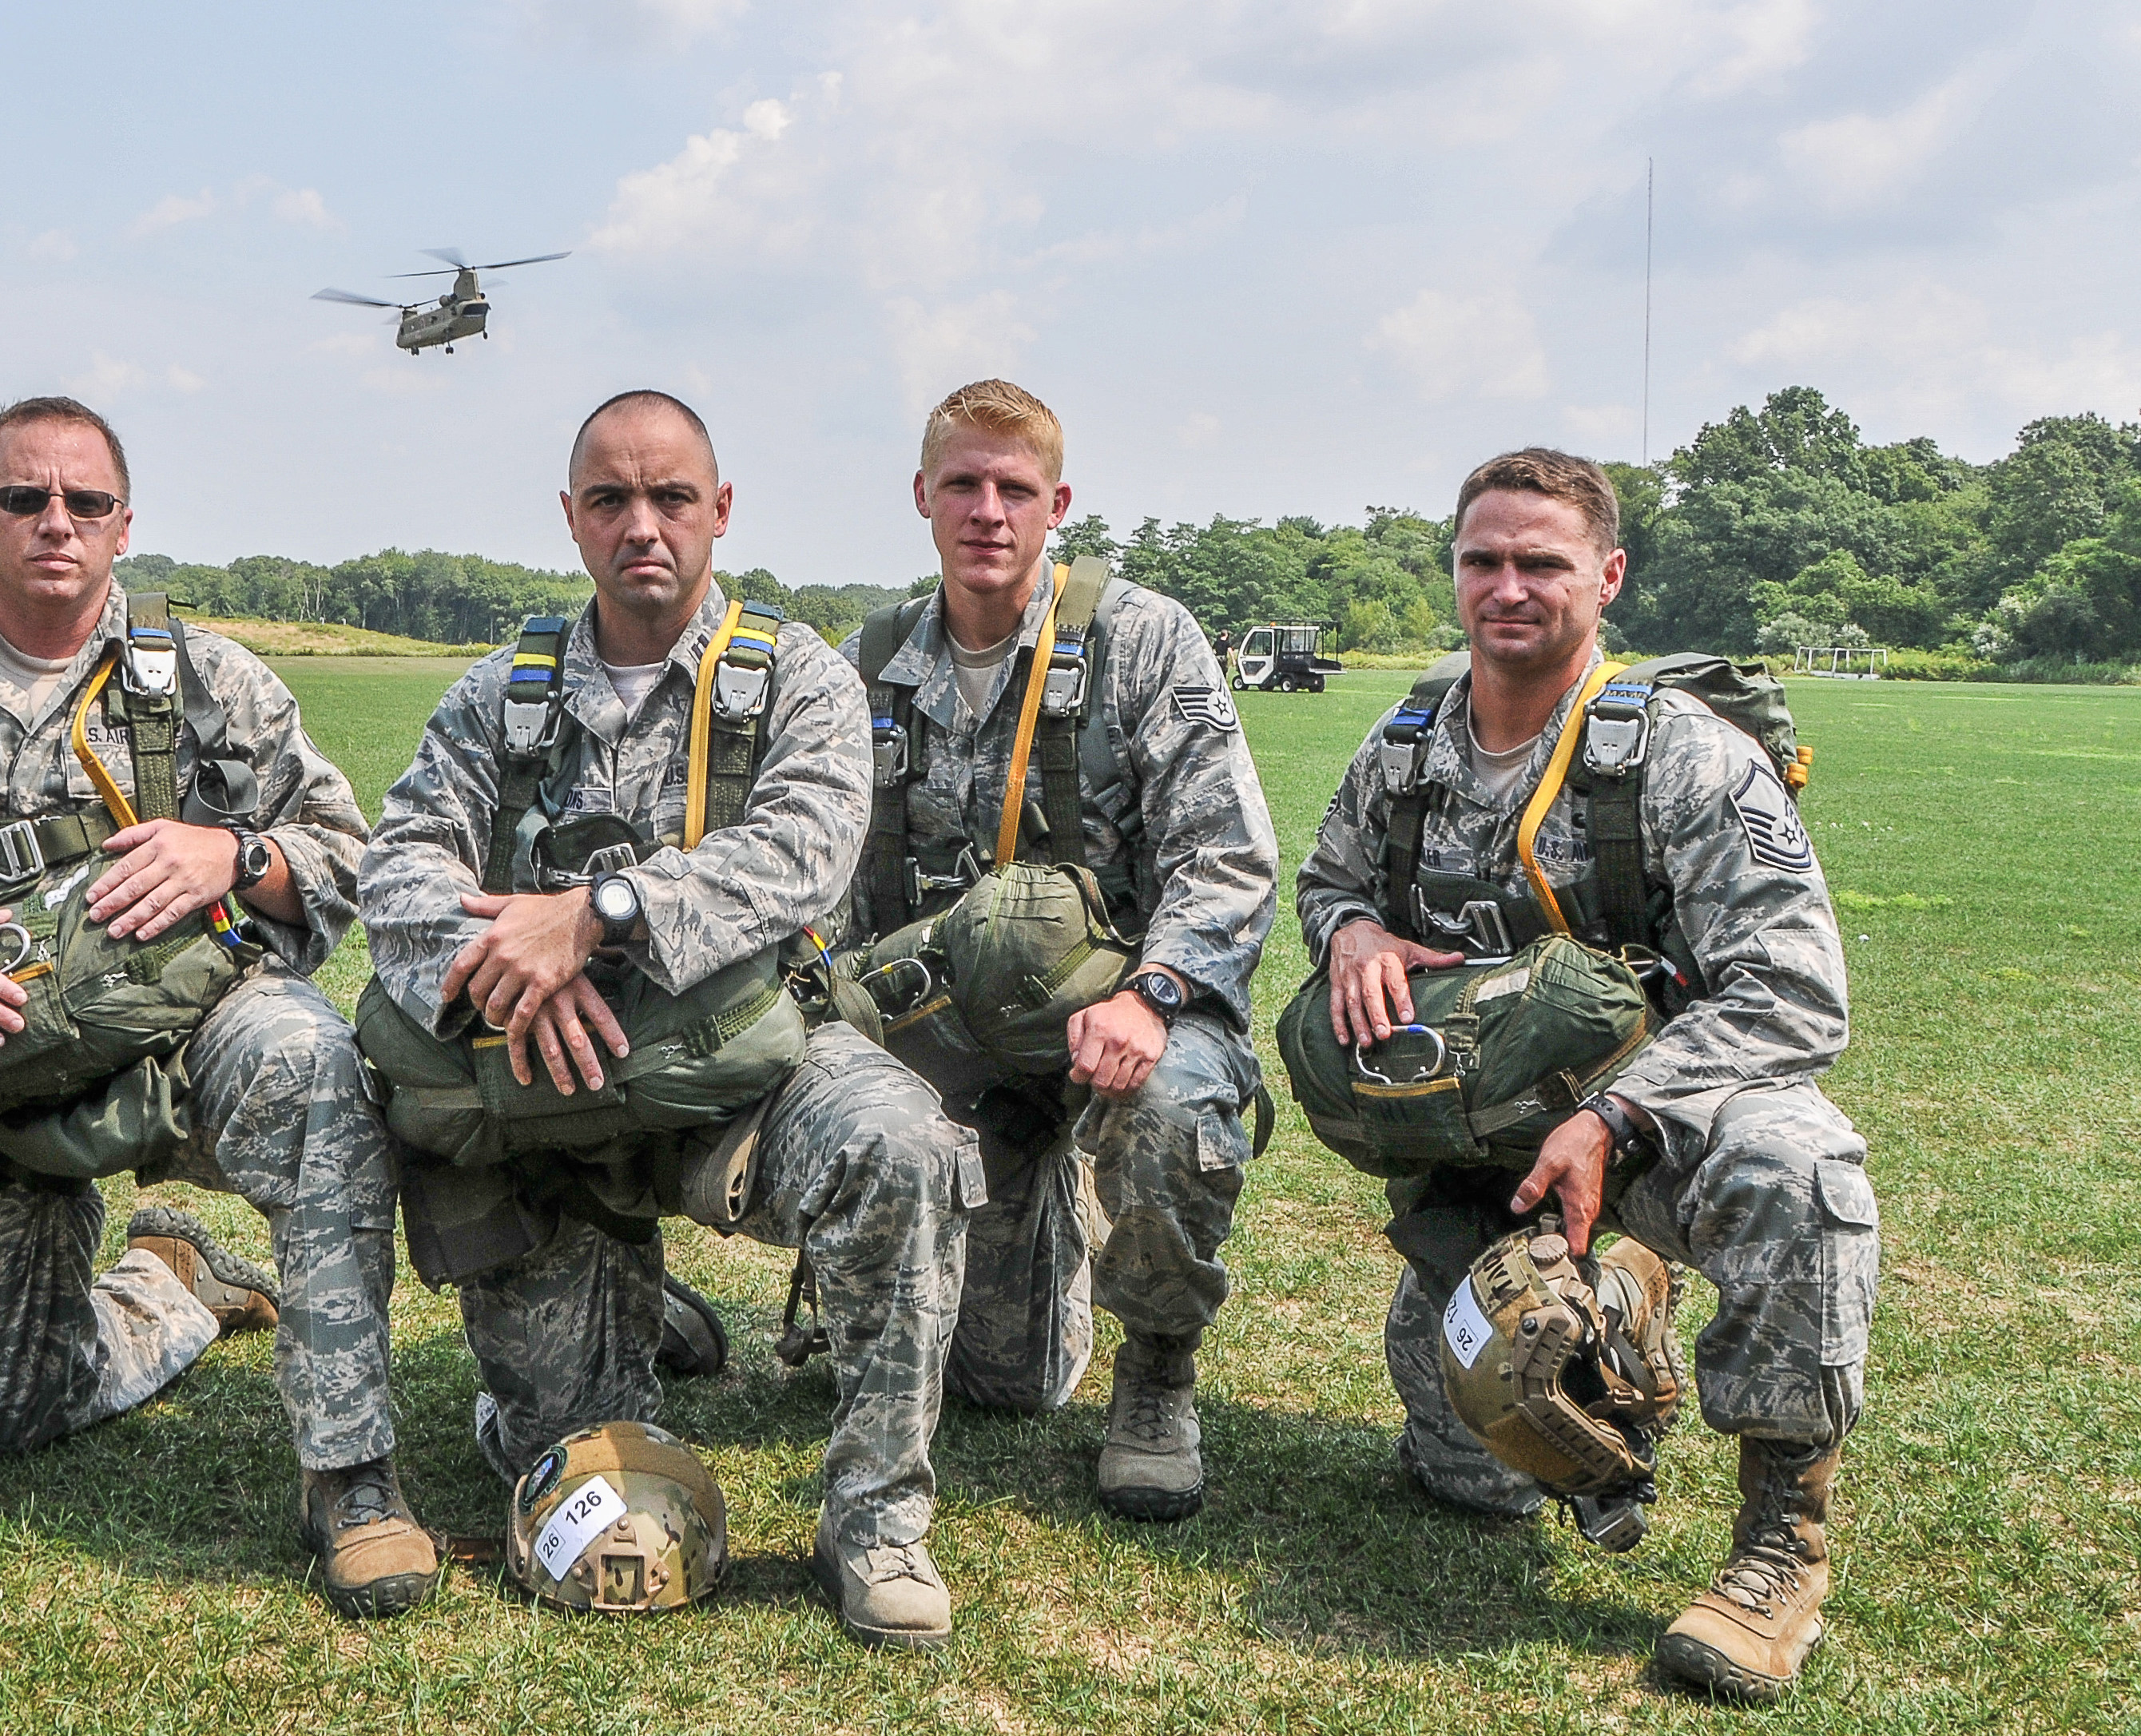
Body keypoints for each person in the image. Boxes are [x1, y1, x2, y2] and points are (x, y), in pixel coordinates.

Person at [0, 395, 437, 1617]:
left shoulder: (207, 679)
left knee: (311, 1062)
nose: (57, 520)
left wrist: (235, 855)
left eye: (85, 501)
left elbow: (348, 849)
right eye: (26, 499)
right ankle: (169, 1284)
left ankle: (350, 1476)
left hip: (190, 1038)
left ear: (122, 525)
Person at [356, 390, 980, 1650]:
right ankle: (621, 1328)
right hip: (548, 1087)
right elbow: (398, 870)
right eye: (611, 499)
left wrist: (595, 914)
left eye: (671, 497)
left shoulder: (793, 673)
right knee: (559, 1457)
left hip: (746, 1076)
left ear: (720, 510)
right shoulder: (501, 696)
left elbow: (805, 852)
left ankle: (873, 1518)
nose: (643, 524)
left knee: (906, 1142)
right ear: (574, 520)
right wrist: (508, 958)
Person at [1294, 447, 1879, 1702]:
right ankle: (1614, 1300)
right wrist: (1349, 931)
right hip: (1497, 1149)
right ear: (1454, 572)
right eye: (1483, 560)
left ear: (1605, 576)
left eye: (1542, 563)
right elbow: (1329, 877)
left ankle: (1782, 1544)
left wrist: (1622, 1111)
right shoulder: (1404, 747)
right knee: (1483, 1476)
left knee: (1801, 1163)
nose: (1509, 587)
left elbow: (1795, 989)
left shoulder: (1680, 754)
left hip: (1656, 1125)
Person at [837, 379, 1278, 1520]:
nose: (988, 509)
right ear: (922, 497)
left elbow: (1227, 859)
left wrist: (1154, 992)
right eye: (964, 485)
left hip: (1119, 1024)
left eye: (1014, 488)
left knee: (1176, 1103)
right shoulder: (872, 660)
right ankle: (894, 1270)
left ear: (1057, 502)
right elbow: (824, 870)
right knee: (1009, 1385)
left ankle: (1158, 1371)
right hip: (956, 1039)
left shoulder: (1142, 640)